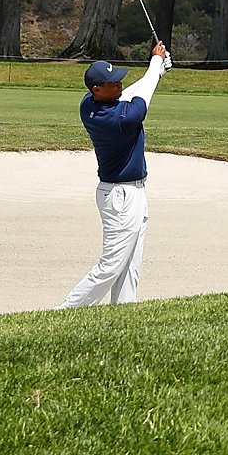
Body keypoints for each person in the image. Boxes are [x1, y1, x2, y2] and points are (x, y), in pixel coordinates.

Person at [62, 41, 171, 308]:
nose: (120, 84)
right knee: (111, 265)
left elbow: (130, 94)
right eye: (113, 82)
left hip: (129, 192)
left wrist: (155, 73)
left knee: (131, 263)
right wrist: (155, 64)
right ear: (98, 89)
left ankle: (123, 313)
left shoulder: (88, 104)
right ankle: (65, 311)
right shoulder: (120, 120)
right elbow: (140, 100)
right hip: (121, 196)